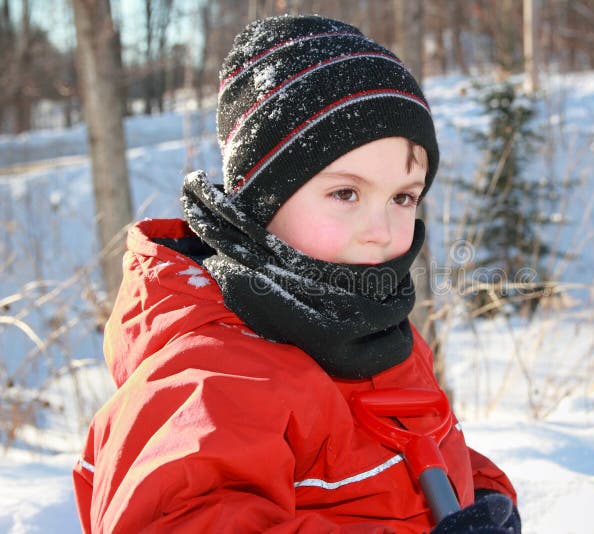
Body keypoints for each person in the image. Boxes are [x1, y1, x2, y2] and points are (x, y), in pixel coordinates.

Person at [73, 14, 520, 533]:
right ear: (263, 202)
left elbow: (410, 450)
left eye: (403, 197)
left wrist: (485, 493)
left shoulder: (366, 327)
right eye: (345, 193)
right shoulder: (210, 380)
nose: (379, 229)